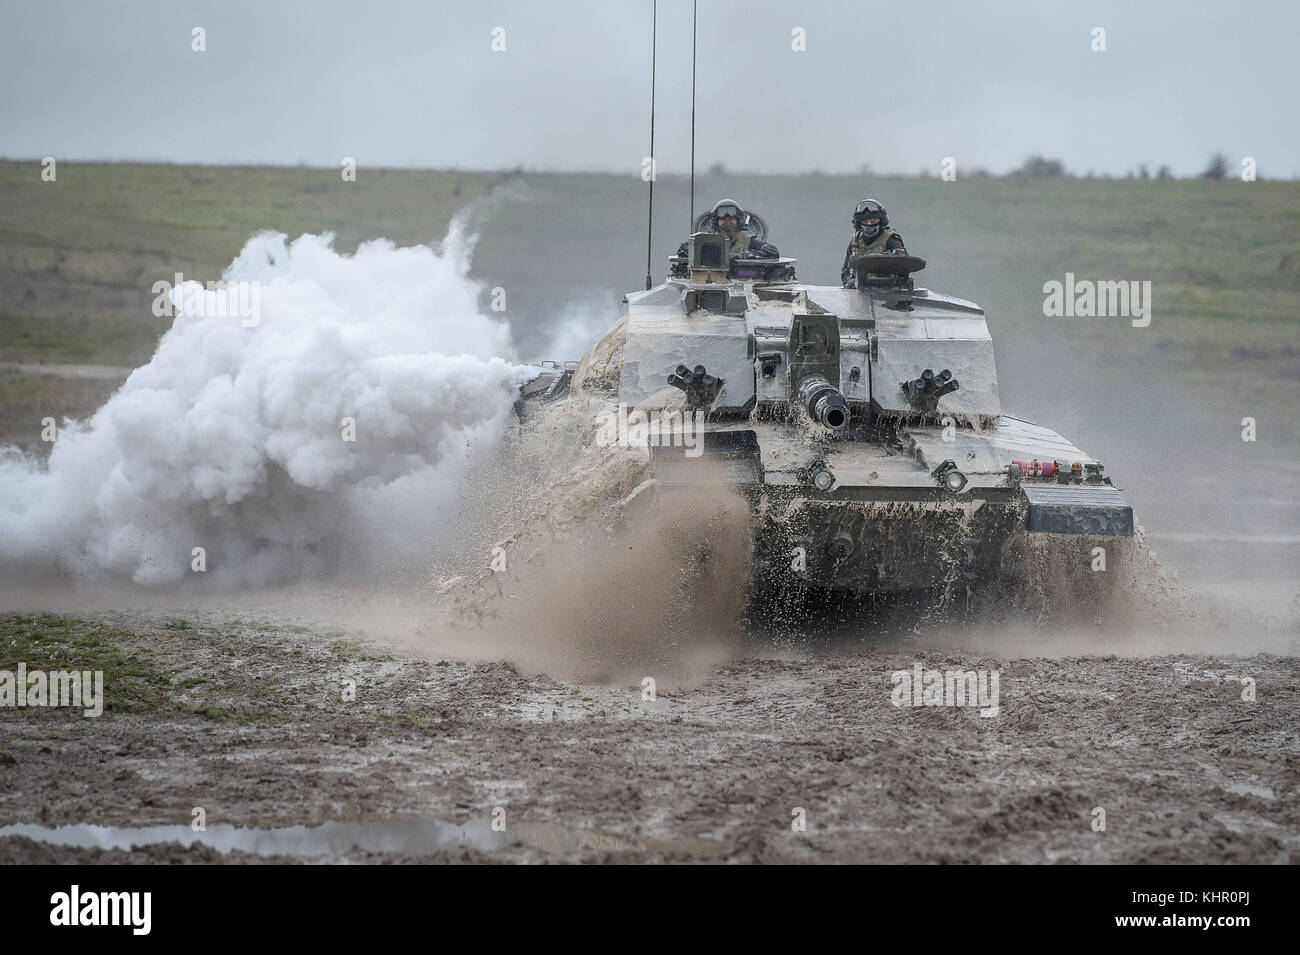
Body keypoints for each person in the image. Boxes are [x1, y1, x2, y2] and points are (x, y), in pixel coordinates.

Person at [677, 199, 779, 260]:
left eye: (731, 219)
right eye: (723, 219)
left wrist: (745, 256)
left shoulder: (747, 240)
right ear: (716, 222)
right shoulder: (707, 241)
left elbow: (772, 251)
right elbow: (683, 250)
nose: (727, 222)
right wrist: (711, 254)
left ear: (738, 222)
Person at [840, 198, 906, 287]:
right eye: (865, 222)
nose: (870, 224)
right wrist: (851, 283)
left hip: (886, 291)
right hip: (858, 291)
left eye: (873, 221)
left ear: (881, 221)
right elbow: (845, 272)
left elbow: (904, 266)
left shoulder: (891, 240)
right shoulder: (855, 241)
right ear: (859, 224)